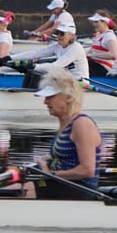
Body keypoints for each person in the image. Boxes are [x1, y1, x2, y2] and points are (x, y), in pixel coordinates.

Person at [28, 69, 102, 200]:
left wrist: (50, 173)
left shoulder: (82, 124)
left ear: (68, 97)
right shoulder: (65, 124)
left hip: (78, 189)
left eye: (50, 97)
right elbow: (65, 158)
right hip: (60, 184)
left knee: (9, 193)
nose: (45, 102)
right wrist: (45, 162)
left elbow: (87, 170)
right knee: (9, 187)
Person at [10, 20, 87, 89]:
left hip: (78, 84)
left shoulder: (76, 48)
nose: (58, 36)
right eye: (57, 33)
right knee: (31, 72)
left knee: (37, 74)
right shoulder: (57, 46)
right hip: (64, 80)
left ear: (72, 35)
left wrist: (35, 66)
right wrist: (9, 58)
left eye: (62, 34)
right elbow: (36, 53)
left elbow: (56, 66)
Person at [86, 12, 117, 77]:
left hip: (101, 68)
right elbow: (89, 52)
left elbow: (113, 54)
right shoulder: (99, 36)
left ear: (104, 22)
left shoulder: (109, 36)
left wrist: (92, 55)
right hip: (94, 65)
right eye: (93, 22)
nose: (93, 24)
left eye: (96, 22)